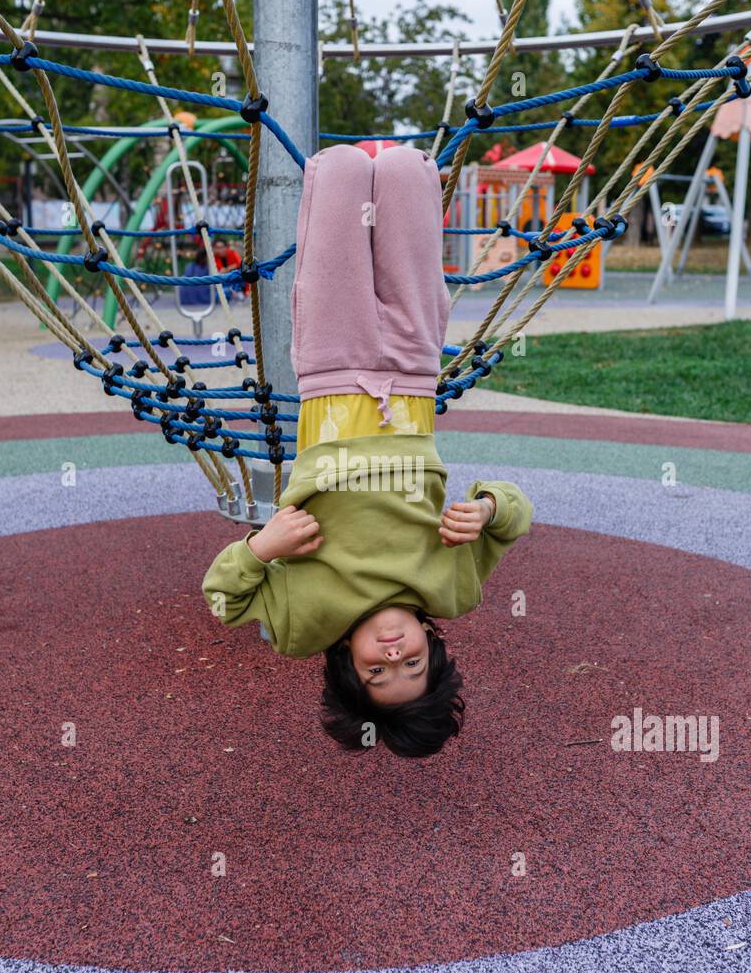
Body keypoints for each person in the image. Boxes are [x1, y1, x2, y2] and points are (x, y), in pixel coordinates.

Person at [202, 144, 533, 757]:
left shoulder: (302, 626)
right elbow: (518, 513)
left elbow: (222, 598)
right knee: (409, 173)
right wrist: (487, 510)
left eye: (378, 674)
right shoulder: (452, 590)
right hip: (412, 379)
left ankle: (343, 172)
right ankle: (407, 169)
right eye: (414, 668)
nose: (393, 657)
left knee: (339, 174)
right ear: (433, 650)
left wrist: (260, 547)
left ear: (347, 669)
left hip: (330, 377)